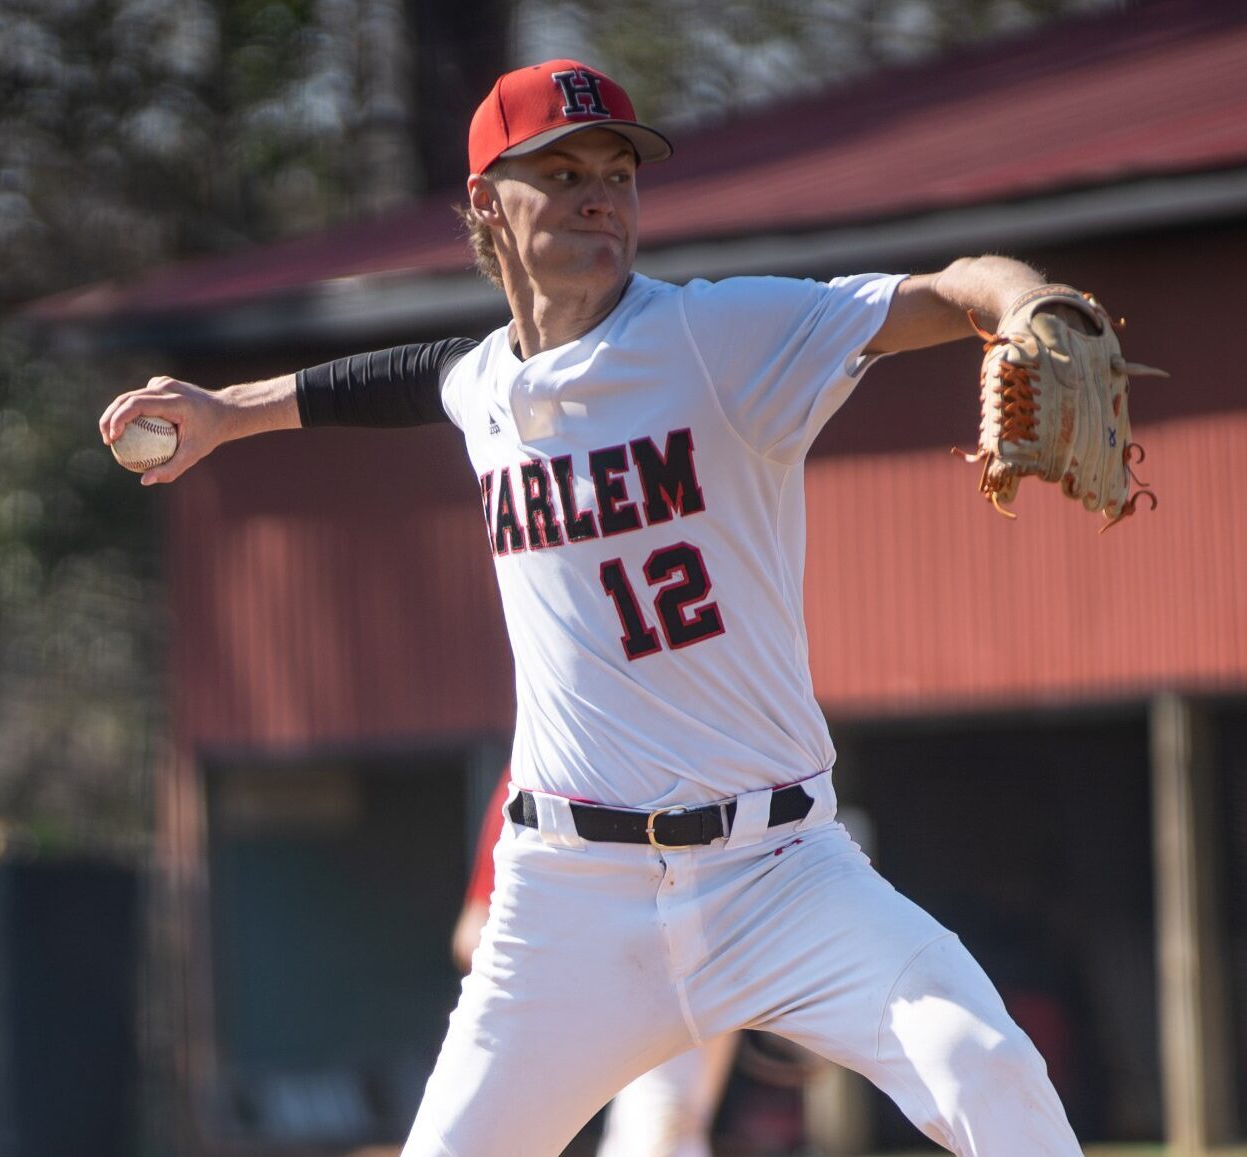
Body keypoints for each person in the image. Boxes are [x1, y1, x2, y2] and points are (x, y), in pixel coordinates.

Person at [102, 58, 1086, 1156]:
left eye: (616, 173)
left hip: (778, 874)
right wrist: (226, 412)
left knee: (988, 1067)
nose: (596, 195)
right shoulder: (482, 385)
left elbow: (952, 289)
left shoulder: (720, 341)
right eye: (560, 170)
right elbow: (391, 379)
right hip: (566, 902)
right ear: (484, 204)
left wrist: (1026, 303)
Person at [453, 776, 739, 1157]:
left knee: (663, 1135)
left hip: (671, 990)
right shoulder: (536, 774)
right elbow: (473, 933)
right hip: (568, 1004)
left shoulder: (691, 761)